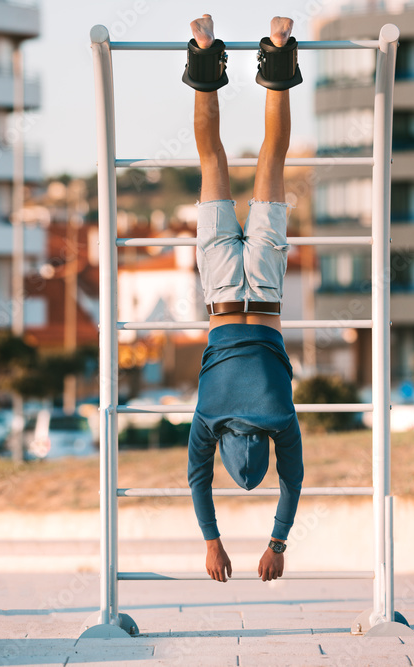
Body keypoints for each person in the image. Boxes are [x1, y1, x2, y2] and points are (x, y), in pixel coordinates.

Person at [183, 14, 304, 583]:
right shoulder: (210, 417)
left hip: (267, 291)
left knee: (272, 158)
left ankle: (278, 52)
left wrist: (278, 542)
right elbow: (197, 479)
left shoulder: (280, 417)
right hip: (222, 292)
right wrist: (213, 543)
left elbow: (293, 480)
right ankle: (204, 52)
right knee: (212, 160)